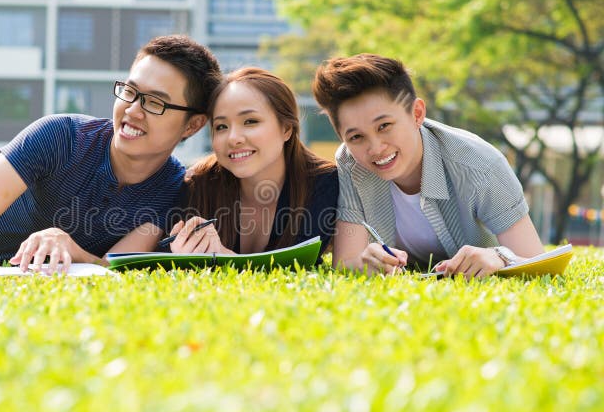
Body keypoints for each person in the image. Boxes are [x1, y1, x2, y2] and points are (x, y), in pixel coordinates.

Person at [0, 35, 222, 276]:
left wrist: (71, 247)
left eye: (154, 102)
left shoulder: (173, 191)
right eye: (130, 91)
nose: (132, 110)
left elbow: (113, 268)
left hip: (5, 264)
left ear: (193, 125)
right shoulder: (62, 136)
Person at [312, 53, 545, 277]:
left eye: (384, 126)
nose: (375, 148)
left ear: (417, 113)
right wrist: (366, 262)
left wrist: (500, 257)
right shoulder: (350, 163)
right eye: (356, 137)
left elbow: (538, 264)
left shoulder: (480, 165)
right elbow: (346, 263)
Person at [166, 67, 338, 259]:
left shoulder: (323, 183)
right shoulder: (198, 184)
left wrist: (222, 255)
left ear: (286, 129)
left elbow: (296, 265)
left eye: (250, 121)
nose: (233, 138)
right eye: (221, 126)